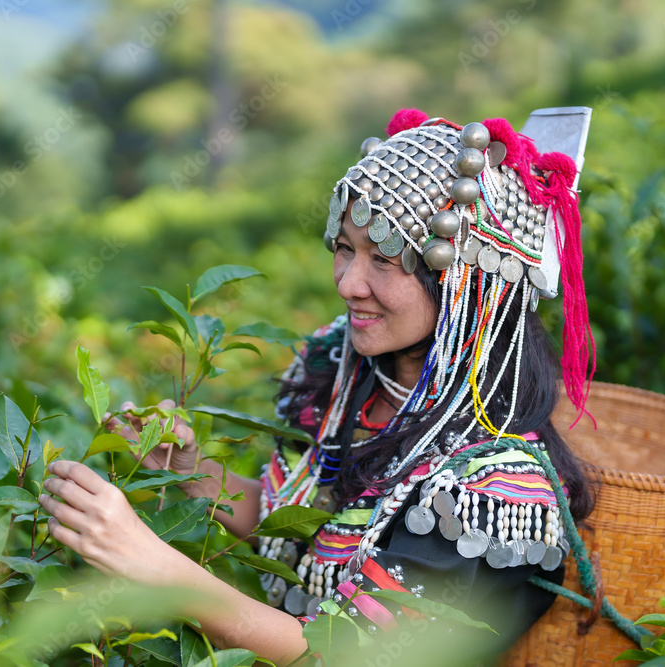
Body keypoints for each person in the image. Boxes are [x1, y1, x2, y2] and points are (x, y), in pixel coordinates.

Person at [38, 108, 597, 666]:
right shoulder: (343, 374)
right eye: (345, 248)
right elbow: (300, 529)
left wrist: (156, 568)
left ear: (465, 281)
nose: (350, 283)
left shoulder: (494, 488)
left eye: (383, 258)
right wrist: (192, 472)